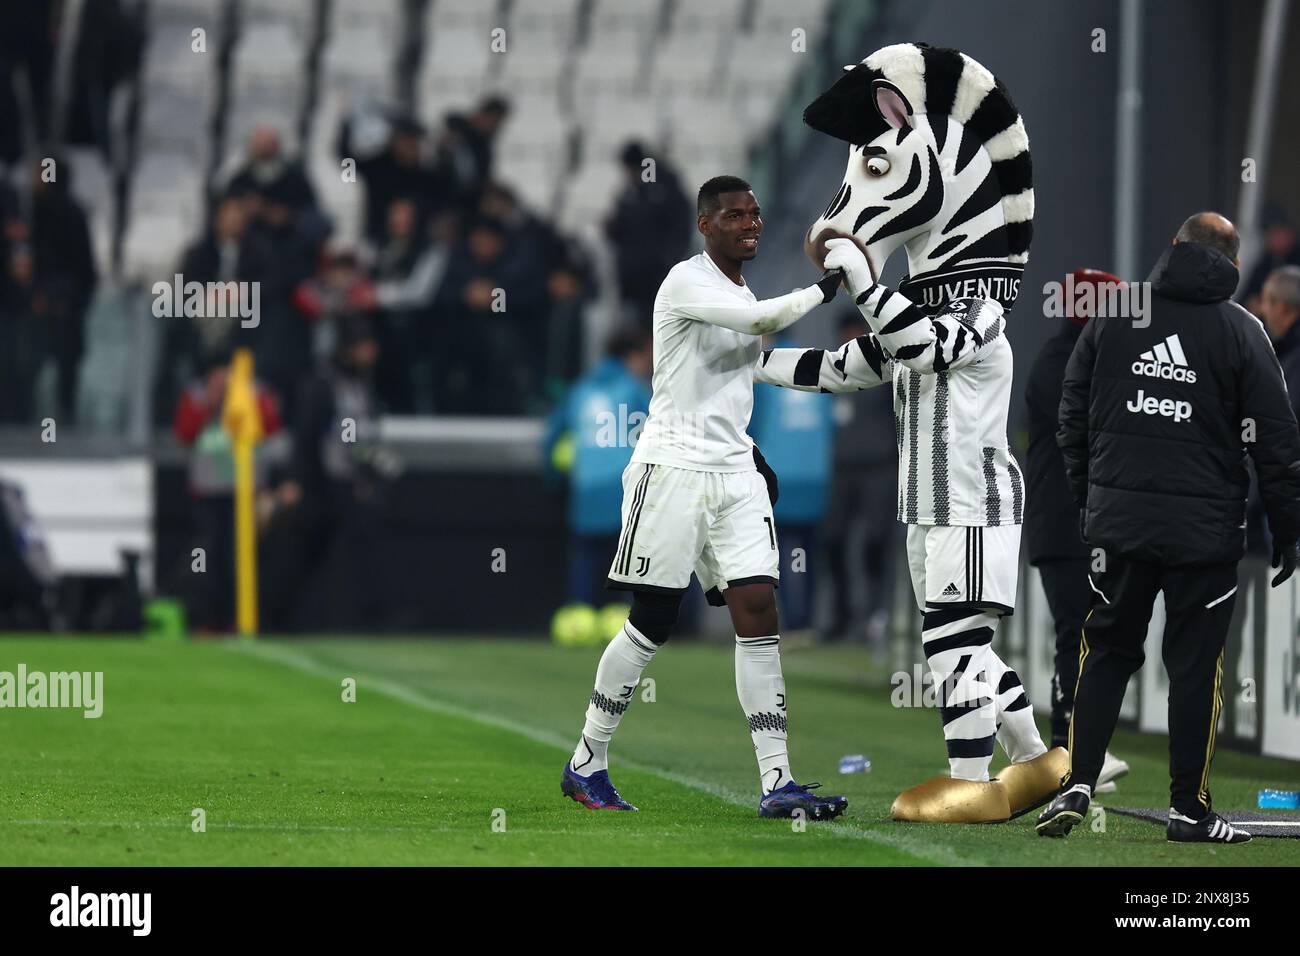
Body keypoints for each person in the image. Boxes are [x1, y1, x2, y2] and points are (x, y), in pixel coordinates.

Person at [562, 175, 847, 819]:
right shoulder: (685, 282)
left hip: (734, 471)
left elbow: (743, 374)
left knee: (757, 609)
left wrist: (753, 450)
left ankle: (777, 781)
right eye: (734, 216)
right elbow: (764, 321)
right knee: (654, 619)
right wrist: (830, 283)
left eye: (755, 213)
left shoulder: (739, 287)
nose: (750, 224)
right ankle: (587, 759)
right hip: (672, 468)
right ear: (705, 225)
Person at [1041, 213, 1300, 843]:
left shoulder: (1114, 312)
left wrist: (1091, 500)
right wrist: (1288, 529)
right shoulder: (1245, 331)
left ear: (1172, 248)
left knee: (1106, 651)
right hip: (1203, 538)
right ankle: (1188, 810)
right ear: (1236, 267)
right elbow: (1277, 441)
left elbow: (1071, 415)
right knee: (1193, 670)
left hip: (1119, 529)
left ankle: (1077, 781)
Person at [1024, 268, 1129, 790]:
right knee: (1078, 633)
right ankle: (1071, 749)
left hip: (1078, 525)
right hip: (1065, 526)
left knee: (1085, 633)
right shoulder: (1061, 365)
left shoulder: (1074, 359)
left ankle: (1077, 747)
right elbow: (1091, 434)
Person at [543, 327, 652, 611]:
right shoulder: (635, 389)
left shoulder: (580, 390)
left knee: (585, 555)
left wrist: (554, 480)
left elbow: (554, 435)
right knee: (629, 555)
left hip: (585, 486)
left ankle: (579, 613)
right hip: (626, 487)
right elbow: (659, 432)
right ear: (632, 356)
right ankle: (627, 617)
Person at [750, 333, 836, 636]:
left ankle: (793, 622)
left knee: (784, 552)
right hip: (816, 476)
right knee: (810, 551)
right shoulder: (818, 360)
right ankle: (809, 621)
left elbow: (751, 422)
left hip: (779, 475)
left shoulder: (762, 368)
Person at [1259, 264, 1300, 411]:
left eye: (1265, 302)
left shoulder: (1294, 356)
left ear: (1281, 308)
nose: (1262, 309)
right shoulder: (1287, 349)